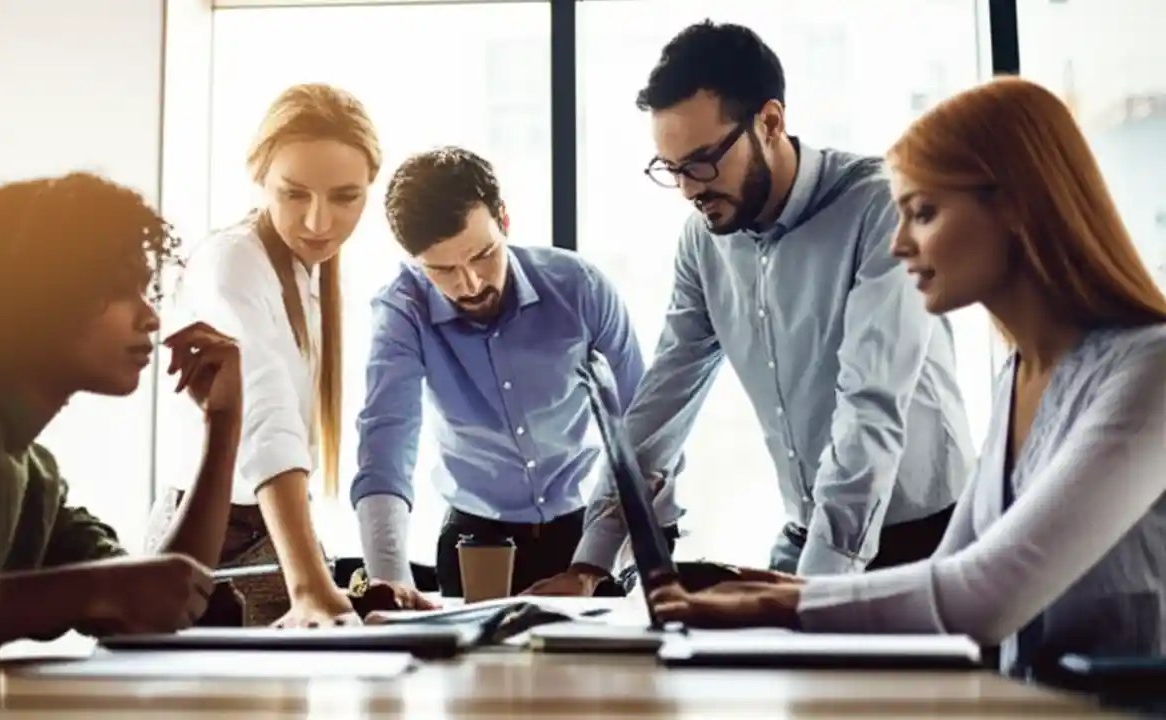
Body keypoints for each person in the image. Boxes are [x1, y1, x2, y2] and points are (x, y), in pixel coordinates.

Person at [648, 77, 1166, 679]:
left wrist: (781, 600)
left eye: (922, 212)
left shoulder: (1149, 371)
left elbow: (981, 598)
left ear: (1018, 206)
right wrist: (761, 591)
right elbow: (943, 578)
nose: (898, 245)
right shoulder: (1019, 375)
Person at [526, 21, 974, 596]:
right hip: (804, 536)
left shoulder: (880, 208)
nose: (688, 189)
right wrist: (592, 560)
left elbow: (869, 405)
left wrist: (811, 593)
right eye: (672, 169)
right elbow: (661, 405)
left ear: (770, 121)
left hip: (925, 542)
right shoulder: (704, 241)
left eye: (702, 161)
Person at [0, 173, 241, 664]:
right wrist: (91, 589)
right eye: (119, 290)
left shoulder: (35, 479)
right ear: (34, 293)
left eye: (147, 290)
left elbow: (153, 603)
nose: (151, 318)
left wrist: (222, 425)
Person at [146, 83, 432, 627]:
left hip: (264, 543)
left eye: (345, 197)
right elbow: (266, 414)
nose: (319, 222)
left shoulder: (308, 272)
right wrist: (308, 585)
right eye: (294, 194)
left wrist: (357, 590)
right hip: (216, 551)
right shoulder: (233, 261)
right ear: (260, 179)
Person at [350, 147, 648, 596]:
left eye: (483, 254)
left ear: (504, 220)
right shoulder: (402, 310)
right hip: (473, 542)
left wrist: (597, 563)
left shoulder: (581, 288)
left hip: (585, 534)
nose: (469, 284)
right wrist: (389, 580)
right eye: (442, 269)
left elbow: (642, 429)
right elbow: (386, 444)